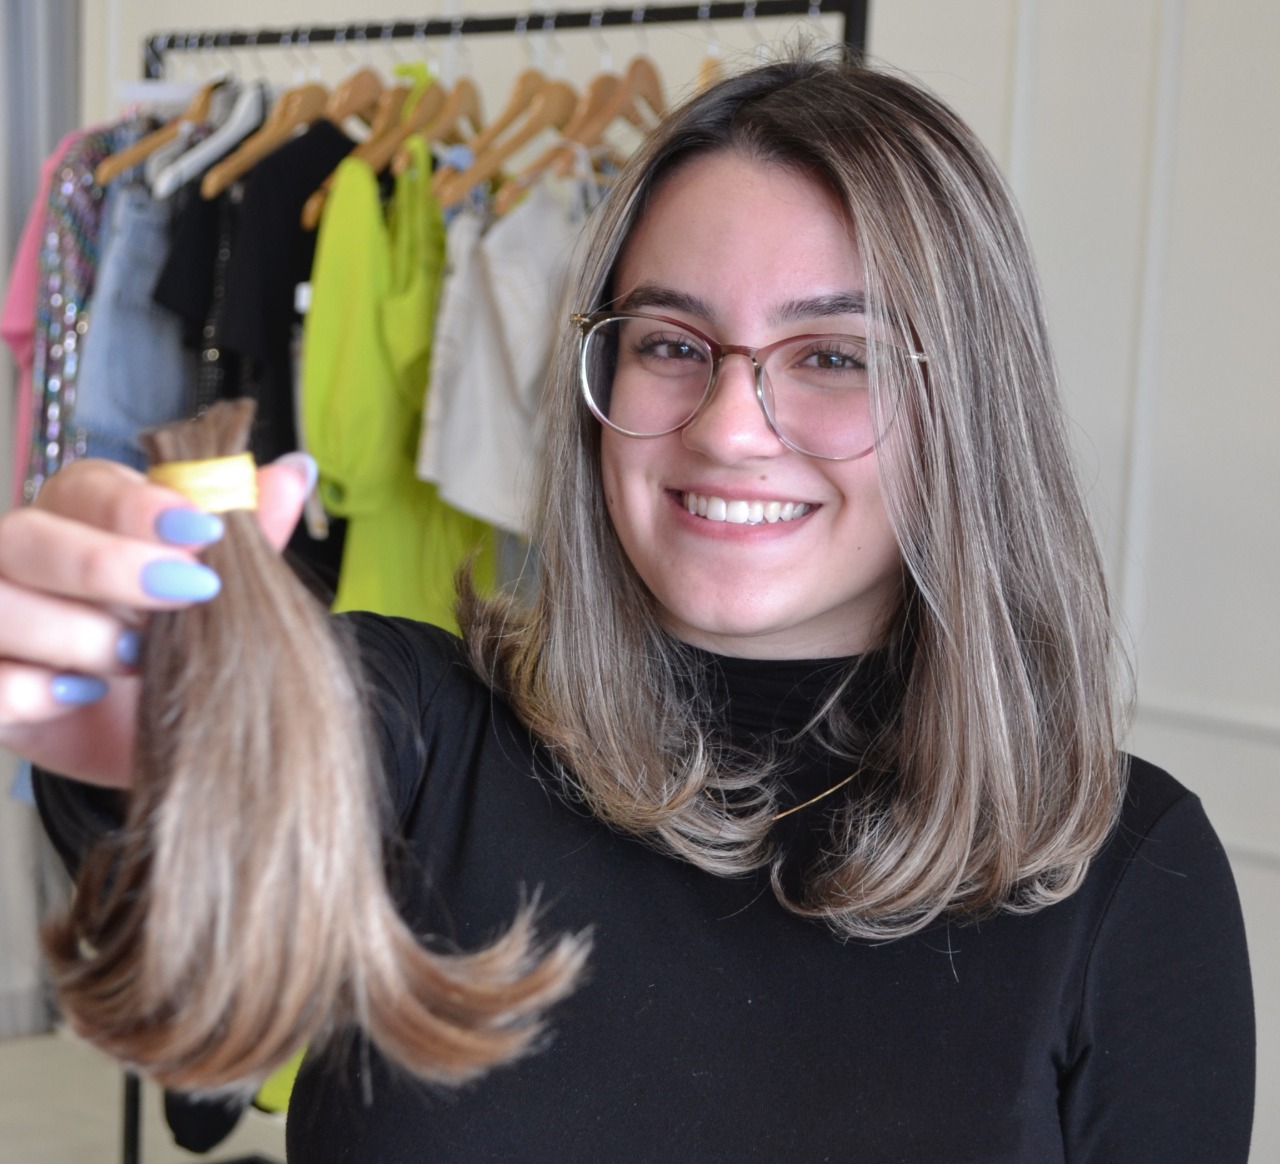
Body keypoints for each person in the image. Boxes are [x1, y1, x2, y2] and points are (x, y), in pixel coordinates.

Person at [0, 54, 1254, 1161]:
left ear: (972, 410)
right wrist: (144, 710)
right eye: (669, 342)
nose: (725, 428)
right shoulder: (424, 737)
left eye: (831, 356)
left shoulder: (1126, 875)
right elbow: (202, 801)